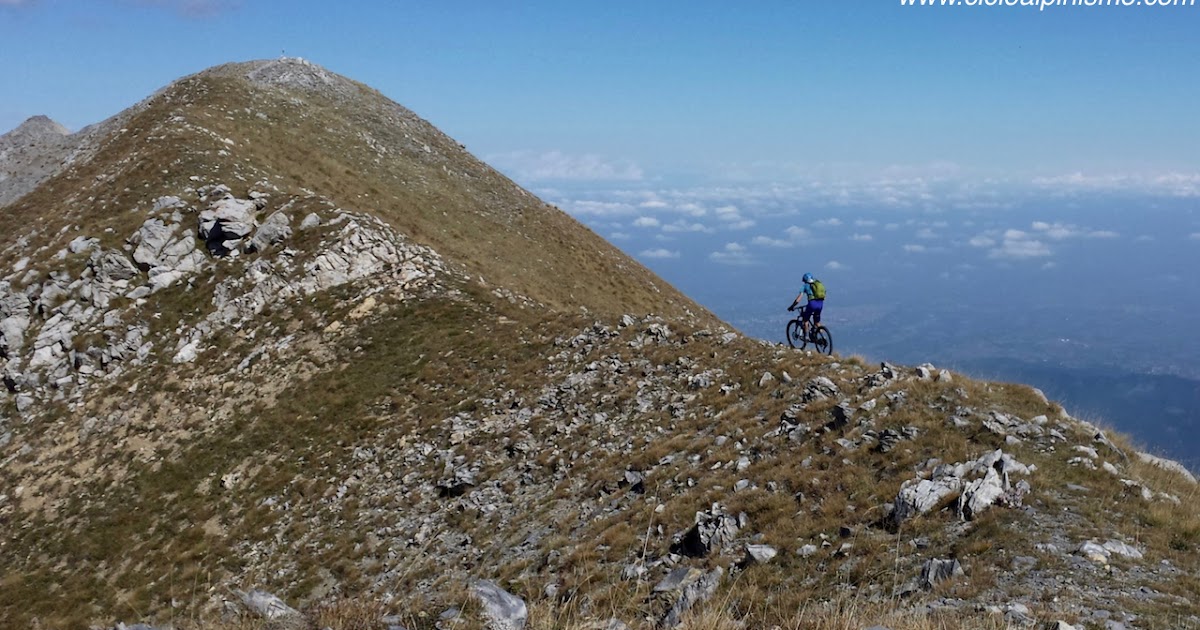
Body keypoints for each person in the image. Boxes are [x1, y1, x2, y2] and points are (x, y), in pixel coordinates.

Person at [788, 272, 825, 340]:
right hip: (820, 303)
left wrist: (792, 306)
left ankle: (807, 336)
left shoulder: (805, 286)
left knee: (805, 320)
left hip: (812, 304)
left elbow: (798, 299)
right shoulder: (817, 283)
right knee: (817, 322)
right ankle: (823, 337)